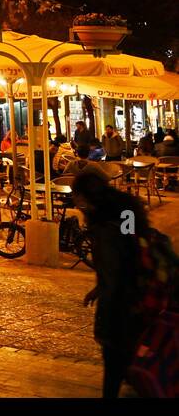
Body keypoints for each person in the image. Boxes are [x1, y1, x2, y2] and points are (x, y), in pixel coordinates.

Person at [71, 170, 149, 397]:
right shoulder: (126, 211)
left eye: (76, 196)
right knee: (127, 364)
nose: (75, 202)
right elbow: (130, 250)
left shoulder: (104, 228)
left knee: (115, 367)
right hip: (139, 296)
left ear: (85, 197)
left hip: (122, 308)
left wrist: (105, 324)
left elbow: (115, 274)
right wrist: (99, 286)